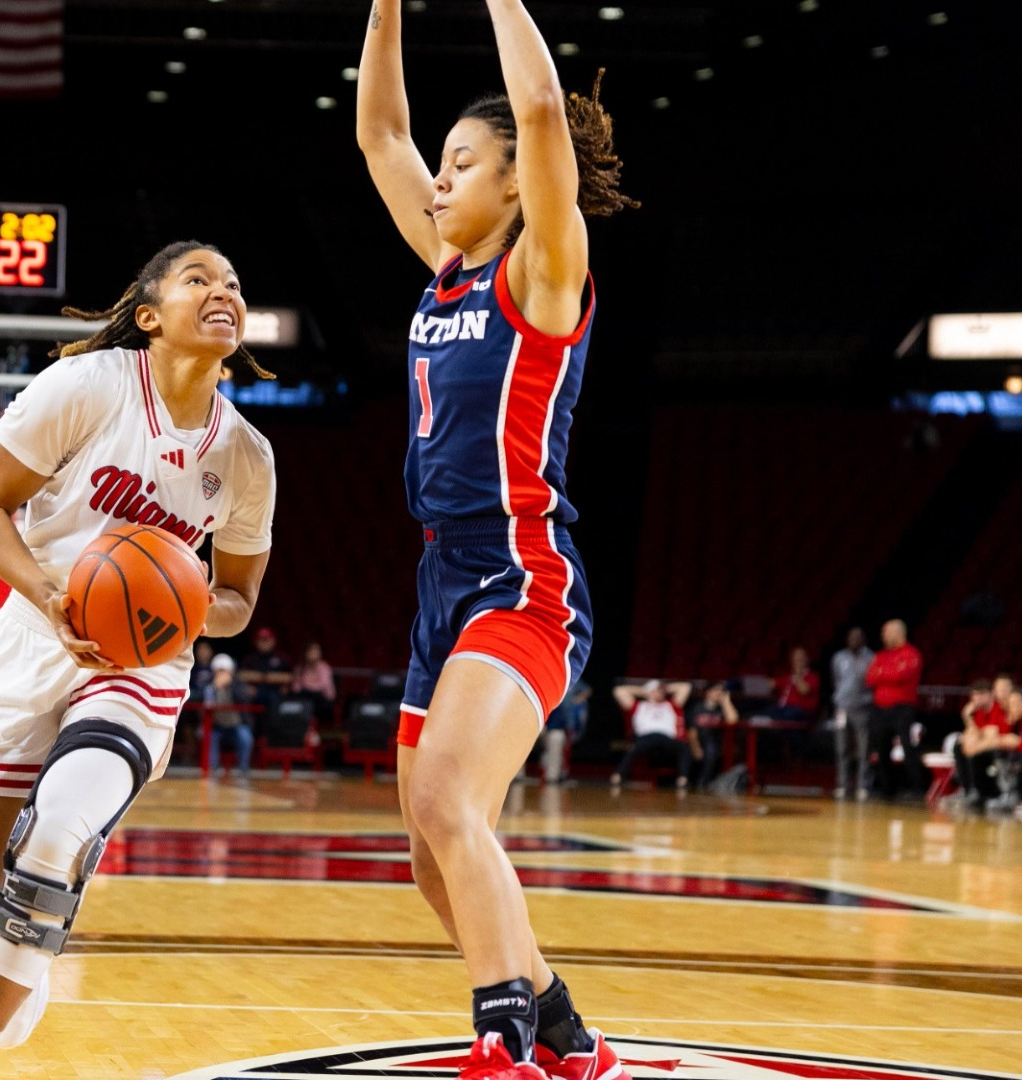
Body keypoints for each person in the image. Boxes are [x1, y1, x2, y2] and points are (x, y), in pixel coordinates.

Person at [356, 0, 638, 1074]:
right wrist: (384, 7)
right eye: (445, 163)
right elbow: (379, 134)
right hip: (444, 583)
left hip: (522, 578)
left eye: (463, 162)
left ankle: (503, 1032)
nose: (438, 178)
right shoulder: (445, 264)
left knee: (443, 800)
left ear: (517, 183)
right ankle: (566, 1027)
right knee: (433, 856)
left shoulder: (543, 275)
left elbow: (539, 110)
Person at [0, 241, 276, 1079]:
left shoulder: (248, 457)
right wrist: (50, 595)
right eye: (200, 280)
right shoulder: (86, 387)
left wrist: (182, 609)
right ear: (149, 315)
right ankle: (24, 950)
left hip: (143, 668)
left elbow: (239, 601)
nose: (223, 291)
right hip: (34, 638)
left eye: (233, 281)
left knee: (58, 830)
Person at [865, 619, 924, 799]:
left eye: (886, 632)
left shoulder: (911, 654)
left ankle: (917, 789)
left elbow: (901, 676)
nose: (883, 636)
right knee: (881, 750)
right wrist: (888, 672)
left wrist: (882, 672)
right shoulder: (880, 655)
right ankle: (887, 789)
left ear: (898, 633)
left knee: (908, 748)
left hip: (902, 709)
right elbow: (869, 679)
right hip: (880, 709)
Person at [608, 681, 697, 790]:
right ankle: (617, 776)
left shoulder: (671, 705)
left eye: (660, 691)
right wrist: (643, 691)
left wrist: (666, 688)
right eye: (655, 690)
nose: (658, 693)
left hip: (667, 738)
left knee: (683, 748)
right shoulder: (638, 705)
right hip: (645, 738)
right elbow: (618, 691)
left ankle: (682, 780)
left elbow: (686, 687)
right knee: (633, 749)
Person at [955, 676, 1021, 809]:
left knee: (978, 750)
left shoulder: (1002, 707)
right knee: (960, 746)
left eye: (981, 694)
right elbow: (973, 734)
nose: (977, 698)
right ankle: (969, 790)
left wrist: (976, 744)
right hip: (994, 744)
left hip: (1007, 746)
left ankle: (995, 792)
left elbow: (995, 734)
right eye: (975, 695)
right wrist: (967, 718)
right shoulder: (979, 712)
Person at [830, 627, 874, 799]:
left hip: (863, 708)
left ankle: (863, 785)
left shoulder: (870, 658)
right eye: (851, 638)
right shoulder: (839, 658)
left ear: (863, 640)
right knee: (842, 747)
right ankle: (843, 784)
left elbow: (872, 682)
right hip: (842, 707)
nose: (854, 641)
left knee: (864, 748)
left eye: (858, 638)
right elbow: (836, 680)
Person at [203, 653, 255, 777]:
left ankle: (243, 769)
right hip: (217, 726)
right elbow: (199, 697)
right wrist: (215, 687)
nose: (221, 673)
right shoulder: (208, 684)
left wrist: (230, 685)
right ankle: (213, 768)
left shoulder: (238, 684)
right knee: (208, 736)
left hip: (236, 725)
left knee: (245, 738)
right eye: (219, 670)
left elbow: (244, 698)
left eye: (224, 670)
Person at [685, 679, 740, 788]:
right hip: (698, 741)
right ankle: (697, 781)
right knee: (707, 748)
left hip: (716, 742)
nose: (719, 693)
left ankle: (704, 782)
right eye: (716, 690)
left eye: (721, 691)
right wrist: (695, 747)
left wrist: (726, 702)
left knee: (712, 748)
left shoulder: (721, 709)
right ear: (707, 692)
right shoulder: (696, 708)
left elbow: (733, 720)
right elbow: (692, 731)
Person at [537, 678, 589, 786]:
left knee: (557, 745)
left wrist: (575, 700)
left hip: (556, 728)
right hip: (540, 724)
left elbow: (587, 690)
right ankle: (518, 775)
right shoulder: (548, 684)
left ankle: (553, 778)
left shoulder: (570, 685)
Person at [239, 627, 293, 719]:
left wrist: (260, 677)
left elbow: (289, 677)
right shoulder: (250, 659)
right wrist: (268, 677)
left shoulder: (281, 658)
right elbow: (241, 675)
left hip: (275, 693)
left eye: (266, 640)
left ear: (273, 641)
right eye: (261, 640)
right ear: (256, 642)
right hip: (255, 694)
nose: (264, 643)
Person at [770, 647, 820, 724]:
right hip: (782, 709)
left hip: (800, 711)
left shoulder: (812, 677)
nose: (798, 660)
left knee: (786, 715)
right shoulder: (787, 677)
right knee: (762, 715)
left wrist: (797, 674)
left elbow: (804, 690)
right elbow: (771, 684)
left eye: (800, 658)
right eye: (795, 658)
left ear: (806, 659)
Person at [292, 641, 339, 722]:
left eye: (316, 651)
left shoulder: (324, 667)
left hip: (322, 699)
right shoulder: (300, 668)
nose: (314, 653)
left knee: (313, 697)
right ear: (306, 653)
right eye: (311, 651)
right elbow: (296, 688)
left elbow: (324, 687)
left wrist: (307, 685)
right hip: (305, 698)